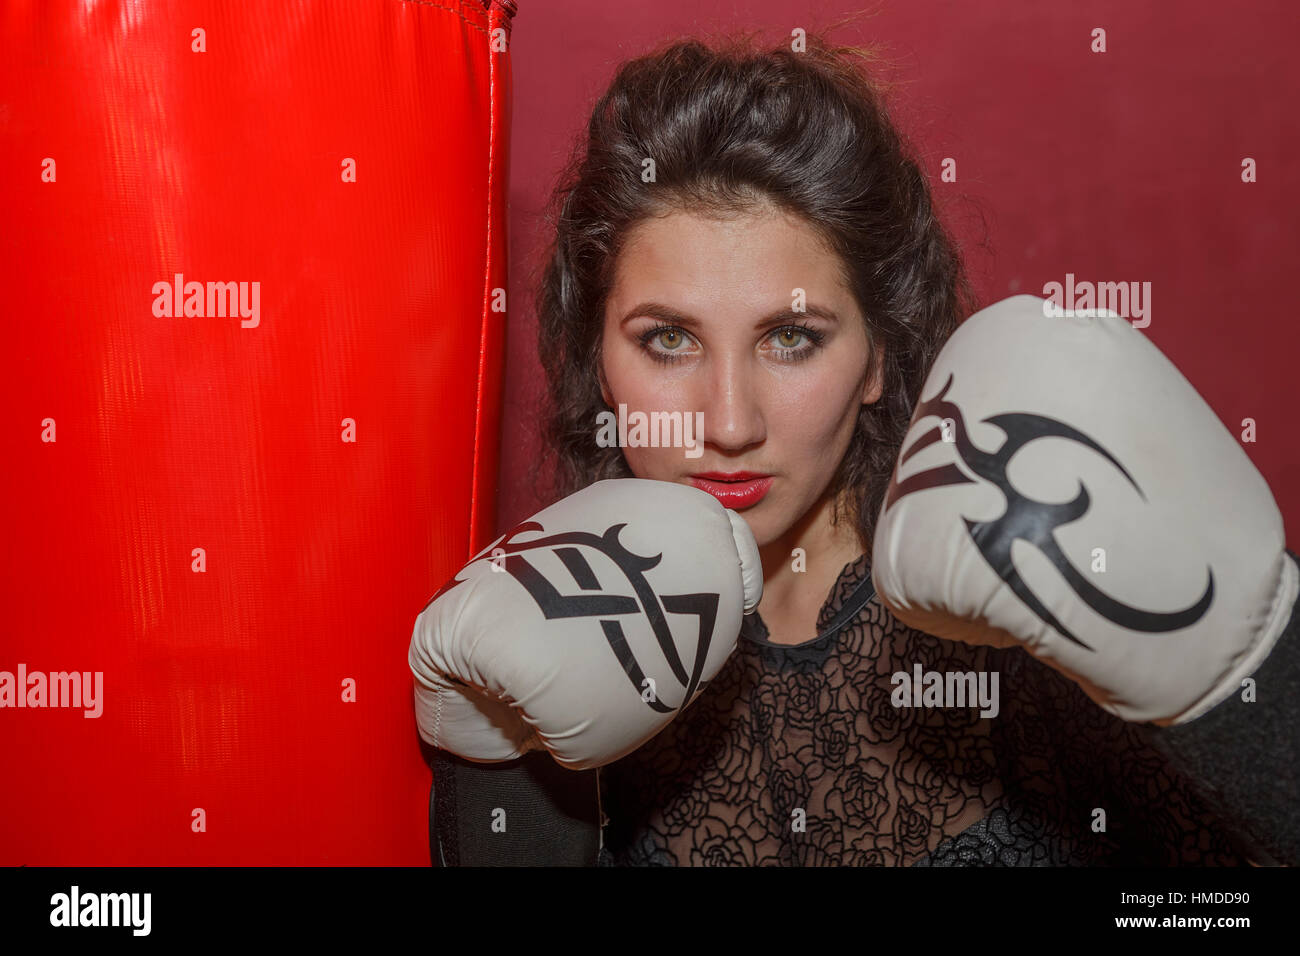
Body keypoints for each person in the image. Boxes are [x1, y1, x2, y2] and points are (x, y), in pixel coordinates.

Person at [523, 32, 1298, 867]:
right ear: (598, 360)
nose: (732, 422)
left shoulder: (1012, 590)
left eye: (790, 337)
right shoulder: (563, 628)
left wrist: (1255, 684)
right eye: (668, 338)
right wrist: (491, 769)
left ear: (877, 360)